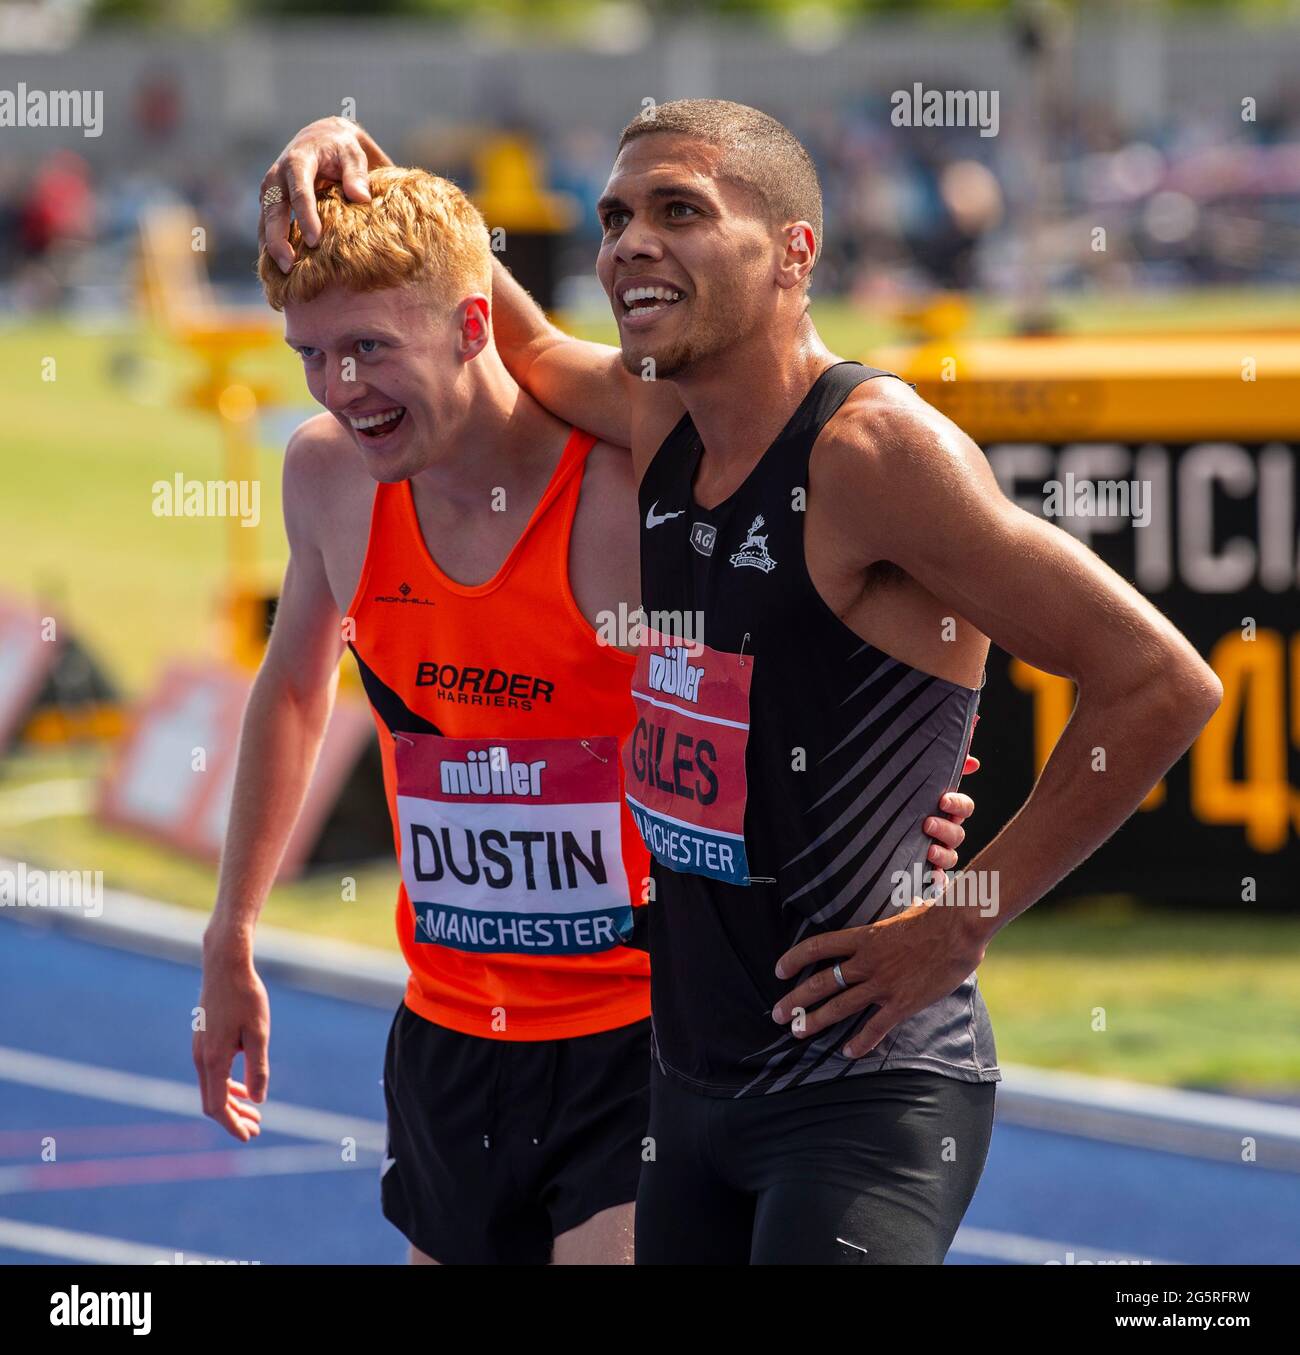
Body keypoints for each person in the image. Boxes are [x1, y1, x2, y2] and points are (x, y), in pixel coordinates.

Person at [263, 101, 1221, 1265]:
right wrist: (363, 158)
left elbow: (1160, 681)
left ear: (794, 252)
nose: (629, 243)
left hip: (856, 1084)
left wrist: (961, 922)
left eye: (680, 211)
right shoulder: (661, 418)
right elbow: (491, 332)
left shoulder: (870, 452)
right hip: (688, 1083)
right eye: (615, 217)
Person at [195, 162, 976, 1266]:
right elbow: (289, 688)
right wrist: (231, 931)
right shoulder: (327, 478)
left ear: (474, 325)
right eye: (312, 356)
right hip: (452, 1026)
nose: (341, 386)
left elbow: (809, 650)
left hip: (645, 1034)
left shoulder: (624, 493)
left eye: (370, 347)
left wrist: (905, 793)